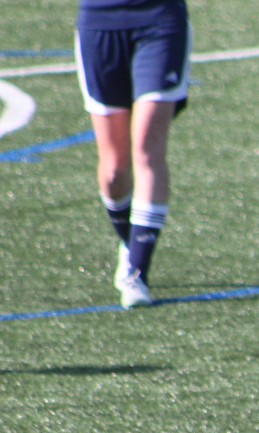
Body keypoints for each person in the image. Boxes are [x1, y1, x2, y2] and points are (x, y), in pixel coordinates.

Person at [75, 0, 191, 309]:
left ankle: (137, 274)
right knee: (114, 170)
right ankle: (130, 240)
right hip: (100, 22)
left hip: (159, 19)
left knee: (146, 147)